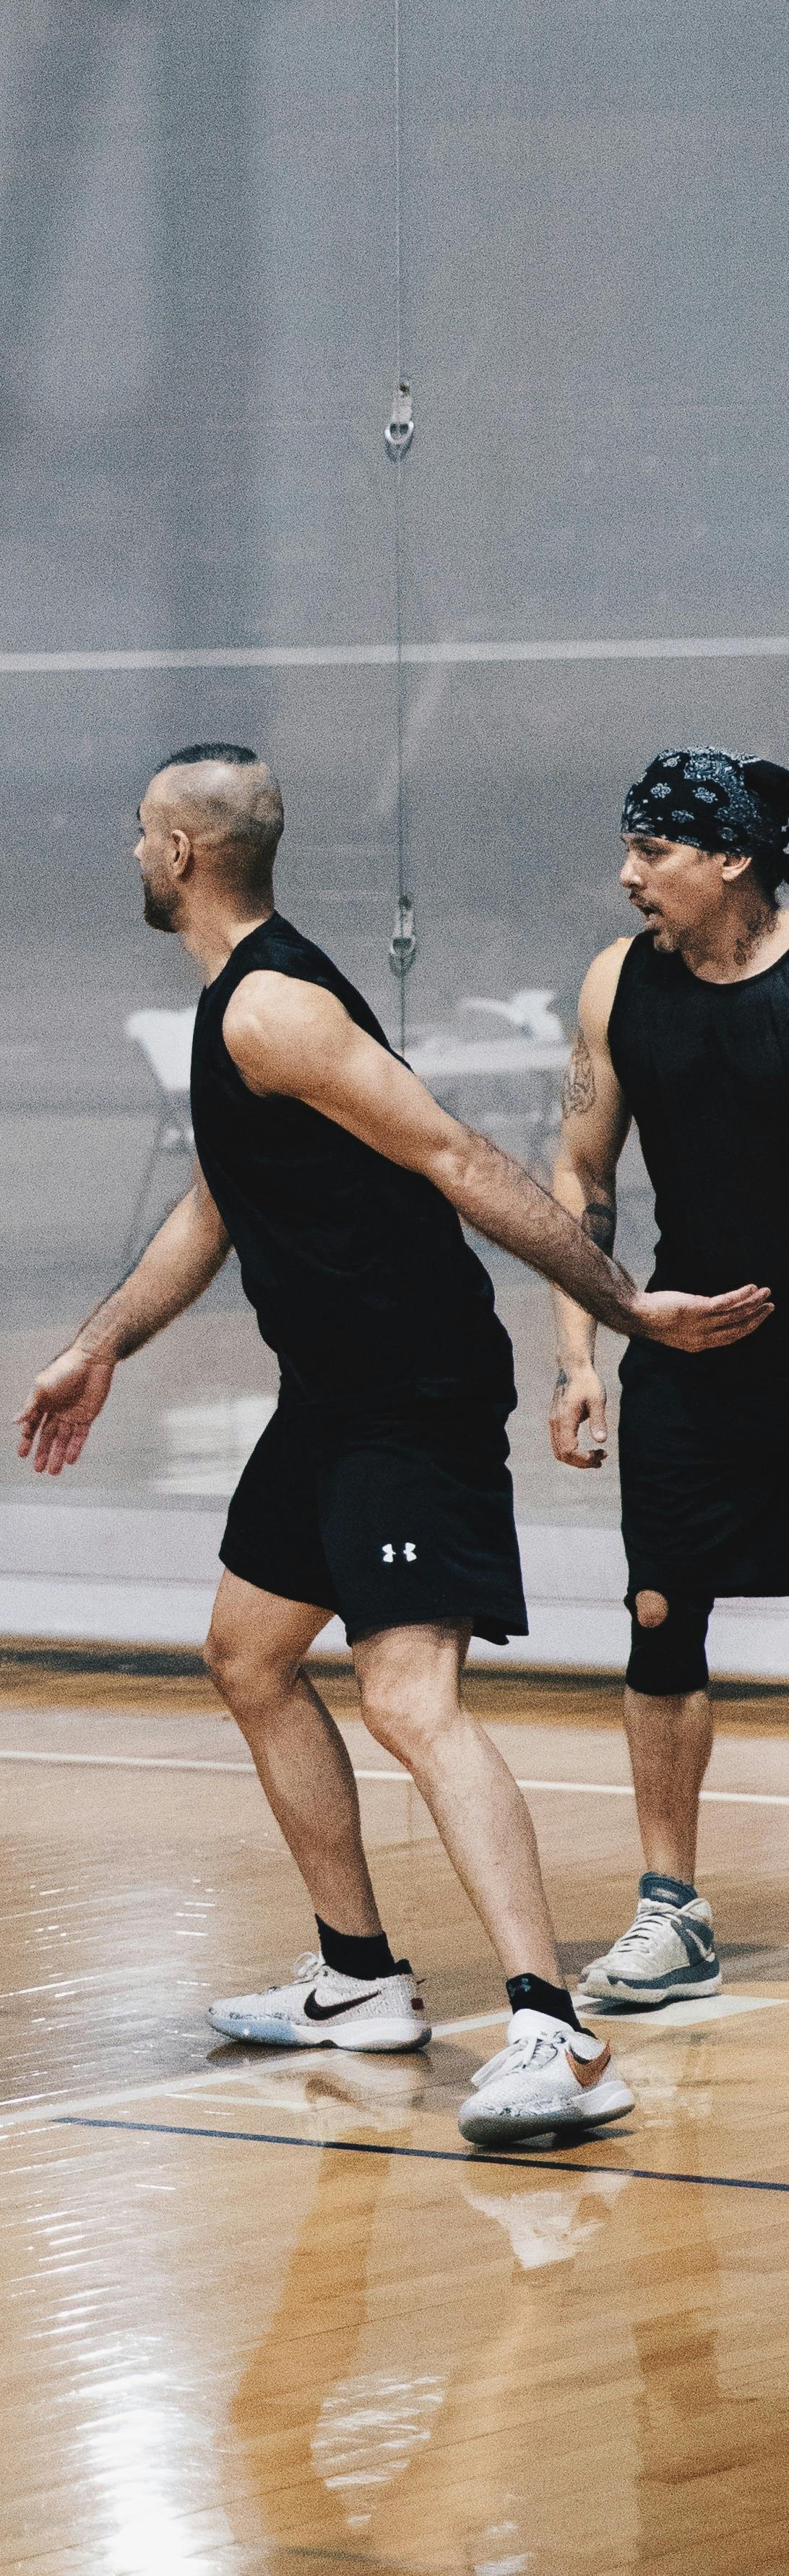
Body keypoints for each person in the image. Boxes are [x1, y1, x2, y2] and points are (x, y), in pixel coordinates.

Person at [17, 744, 769, 2147]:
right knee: (246, 1655)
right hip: (331, 1393)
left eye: (139, 834)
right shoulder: (236, 1006)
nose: (131, 852)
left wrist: (620, 1312)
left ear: (180, 851)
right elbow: (217, 1200)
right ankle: (358, 1977)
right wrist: (101, 1342)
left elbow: (459, 1156)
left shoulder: (276, 1006)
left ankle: (557, 2035)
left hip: (407, 1390)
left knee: (409, 1698)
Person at [548, 747, 789, 2011]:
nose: (627, 874)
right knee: (659, 1613)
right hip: (689, 1351)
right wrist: (580, 1350)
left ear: (731, 856)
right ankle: (669, 1909)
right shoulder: (615, 982)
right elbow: (580, 1175)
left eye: (652, 849)